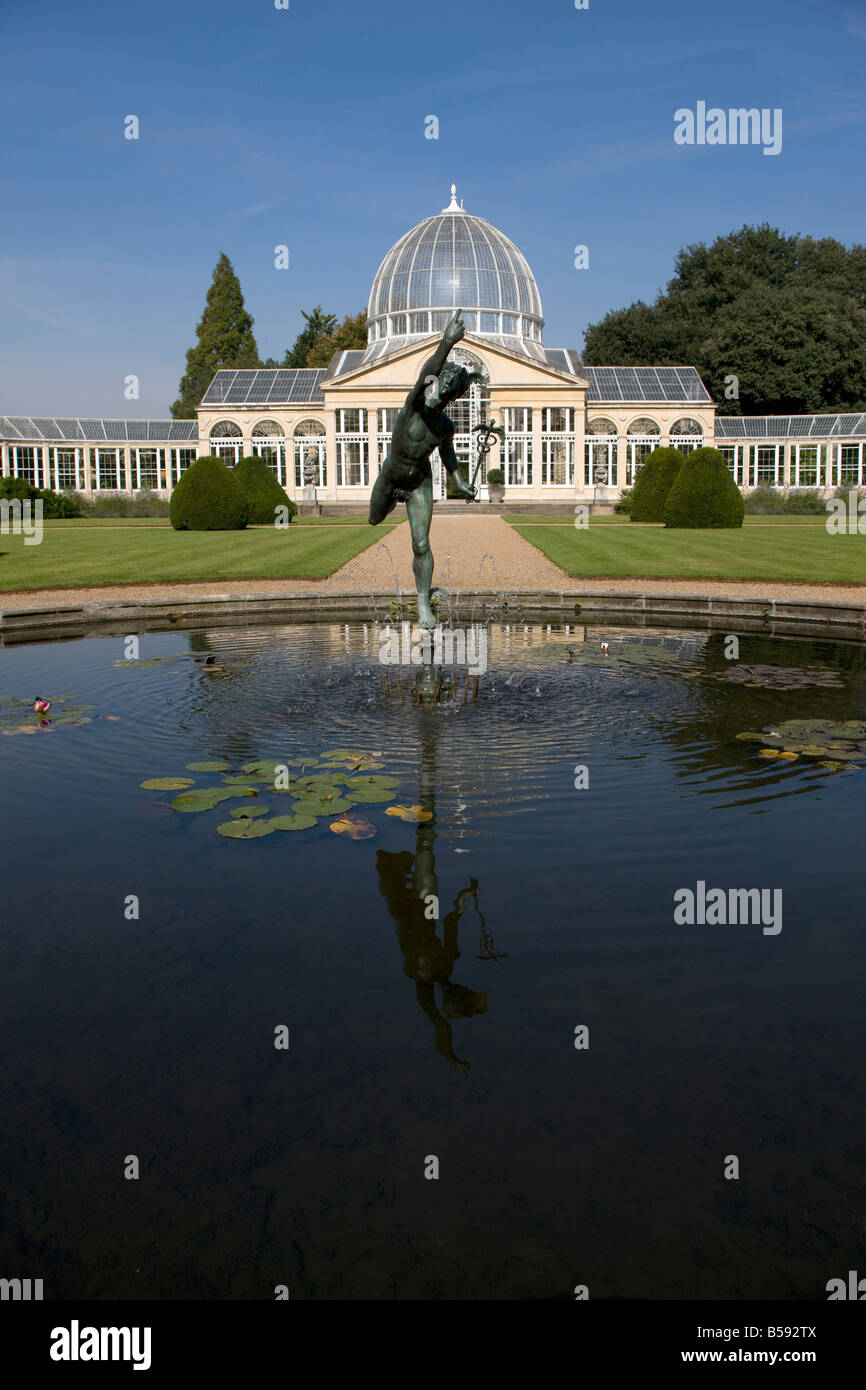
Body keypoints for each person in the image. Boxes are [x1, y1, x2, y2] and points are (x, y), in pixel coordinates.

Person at [369, 310, 483, 629]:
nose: (446, 395)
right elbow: (426, 371)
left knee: (421, 543)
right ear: (437, 383)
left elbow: (449, 457)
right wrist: (447, 342)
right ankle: (424, 589)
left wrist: (461, 483)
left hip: (419, 482)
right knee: (374, 519)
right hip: (390, 478)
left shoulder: (445, 425)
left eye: (453, 393)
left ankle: (422, 600)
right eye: (444, 386)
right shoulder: (414, 406)